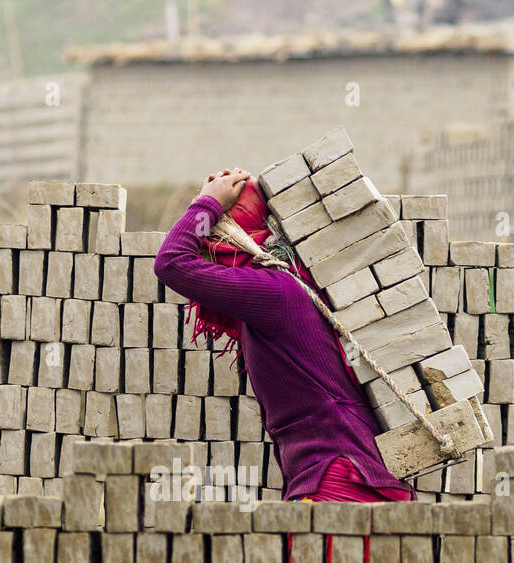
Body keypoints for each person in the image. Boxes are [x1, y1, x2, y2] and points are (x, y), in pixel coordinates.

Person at [153, 168, 414, 504]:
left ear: (226, 231)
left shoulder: (275, 291)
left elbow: (172, 262)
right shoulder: (290, 283)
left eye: (210, 229)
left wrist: (207, 203)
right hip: (349, 481)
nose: (203, 242)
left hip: (342, 486)